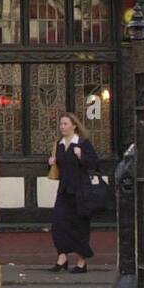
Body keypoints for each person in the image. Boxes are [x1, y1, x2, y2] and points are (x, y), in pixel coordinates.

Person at [49, 113, 100, 273]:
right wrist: (51, 163)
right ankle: (62, 257)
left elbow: (94, 163)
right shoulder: (59, 144)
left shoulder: (82, 143)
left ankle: (82, 261)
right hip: (64, 190)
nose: (62, 127)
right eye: (61, 124)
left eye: (65, 124)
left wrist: (81, 156)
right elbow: (59, 169)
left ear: (74, 126)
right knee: (58, 223)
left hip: (81, 191)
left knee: (80, 225)